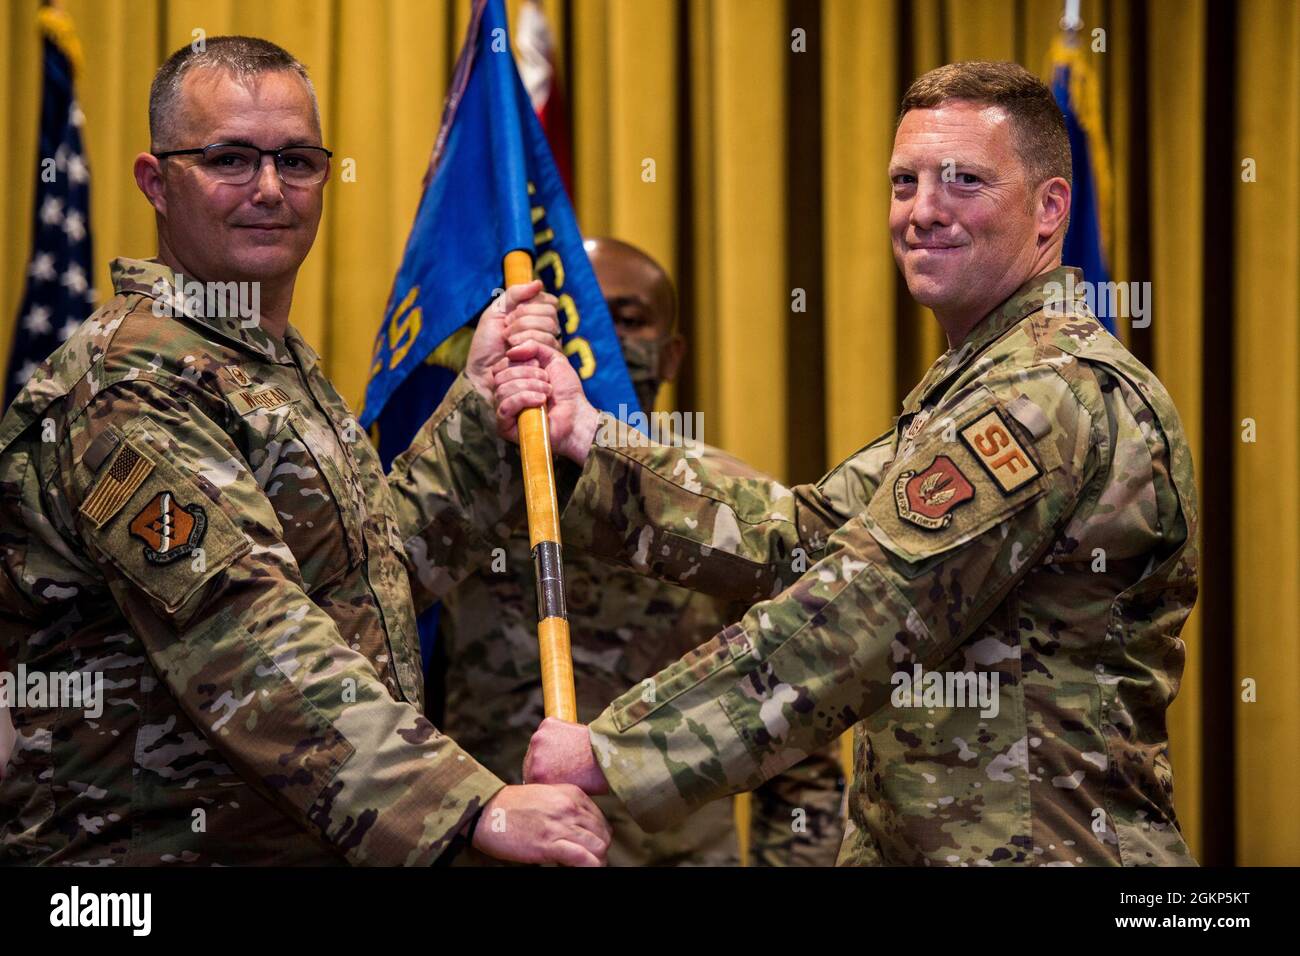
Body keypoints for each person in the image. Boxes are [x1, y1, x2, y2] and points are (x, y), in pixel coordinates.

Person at [502, 61, 1200, 866]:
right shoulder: (979, 384)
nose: (924, 211)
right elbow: (804, 537)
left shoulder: (1045, 395)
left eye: (964, 180)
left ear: (1050, 210)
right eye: (905, 182)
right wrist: (590, 438)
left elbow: (856, 616)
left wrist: (614, 751)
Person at [0, 35, 610, 867]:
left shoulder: (264, 360)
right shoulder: (132, 381)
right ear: (154, 181)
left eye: (296, 160)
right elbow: (247, 641)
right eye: (228, 158)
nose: (267, 189)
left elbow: (367, 577)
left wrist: (482, 411)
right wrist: (472, 807)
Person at [439, 237, 845, 866]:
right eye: (582, 314)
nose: (603, 336)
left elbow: (801, 741)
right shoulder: (472, 485)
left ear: (673, 352)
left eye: (627, 319)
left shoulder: (731, 505)